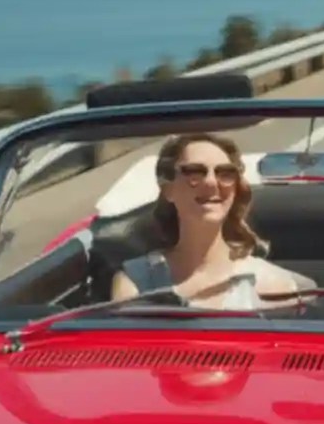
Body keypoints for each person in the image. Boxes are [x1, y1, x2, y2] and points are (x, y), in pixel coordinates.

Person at [111, 132, 304, 309]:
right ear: (168, 190)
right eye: (194, 172)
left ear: (235, 190)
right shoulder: (135, 283)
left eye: (225, 173)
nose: (211, 183)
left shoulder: (272, 286)